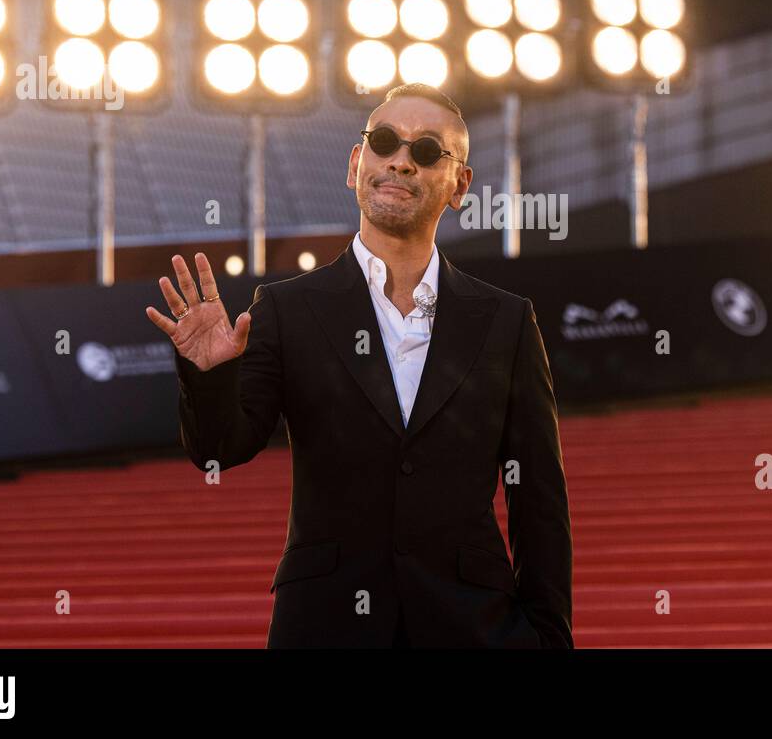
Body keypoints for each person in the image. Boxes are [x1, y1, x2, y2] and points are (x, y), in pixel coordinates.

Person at [145, 82, 573, 648]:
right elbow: (219, 450)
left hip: (475, 628)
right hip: (325, 628)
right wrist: (208, 375)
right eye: (385, 142)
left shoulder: (506, 322)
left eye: (426, 152)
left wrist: (548, 639)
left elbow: (539, 500)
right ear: (355, 164)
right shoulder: (285, 308)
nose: (400, 160)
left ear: (459, 185)